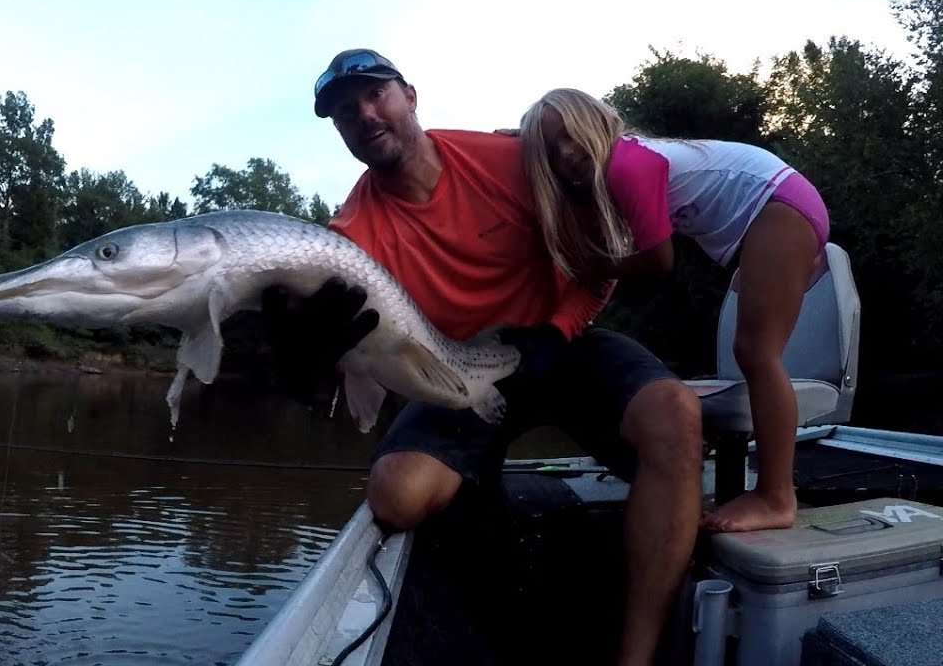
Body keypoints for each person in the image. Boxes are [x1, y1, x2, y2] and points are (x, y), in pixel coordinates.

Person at [261, 49, 704, 666]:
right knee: (396, 496)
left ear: (410, 95)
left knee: (676, 415)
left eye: (374, 94)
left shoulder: (511, 159)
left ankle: (636, 656)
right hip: (454, 369)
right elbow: (348, 367)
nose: (362, 114)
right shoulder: (350, 239)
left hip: (558, 345)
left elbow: (603, 256)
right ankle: (490, 544)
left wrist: (558, 328)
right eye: (342, 111)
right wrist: (303, 367)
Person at [517, 87, 831, 533]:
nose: (566, 153)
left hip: (777, 205)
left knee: (757, 354)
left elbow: (657, 261)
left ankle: (776, 496)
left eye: (571, 135)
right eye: (552, 149)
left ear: (598, 122)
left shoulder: (627, 167)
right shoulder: (619, 172)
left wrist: (590, 263)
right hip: (774, 210)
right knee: (755, 352)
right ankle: (770, 492)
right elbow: (609, 274)